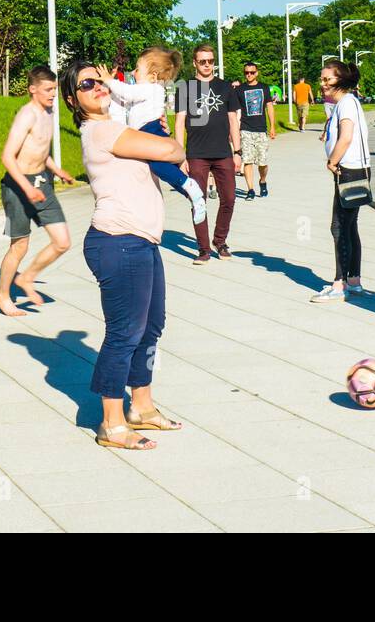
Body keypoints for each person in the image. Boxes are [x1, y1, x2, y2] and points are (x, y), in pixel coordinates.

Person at [60, 61, 184, 451]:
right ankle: (111, 423)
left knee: (150, 329)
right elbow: (172, 152)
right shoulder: (101, 130)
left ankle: (141, 407)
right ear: (72, 99)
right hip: (118, 241)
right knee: (124, 334)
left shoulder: (117, 125)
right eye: (86, 84)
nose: (98, 86)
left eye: (100, 79)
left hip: (141, 241)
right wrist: (170, 140)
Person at [0, 66, 75, 317]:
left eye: (54, 89)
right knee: (20, 246)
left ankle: (27, 278)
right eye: (48, 89)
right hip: (18, 186)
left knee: (62, 242)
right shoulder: (26, 115)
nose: (53, 94)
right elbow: (7, 157)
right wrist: (27, 189)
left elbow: (40, 150)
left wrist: (57, 170)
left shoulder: (49, 112)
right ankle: (2, 296)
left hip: (42, 183)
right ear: (33, 90)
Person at [99, 47, 207, 223]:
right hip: (147, 131)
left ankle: (190, 187)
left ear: (153, 76)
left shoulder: (151, 88)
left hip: (150, 130)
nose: (133, 72)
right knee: (162, 169)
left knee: (158, 166)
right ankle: (190, 192)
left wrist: (109, 80)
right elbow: (125, 99)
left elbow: (126, 92)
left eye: (137, 69)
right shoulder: (148, 89)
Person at [310, 61, 374, 302]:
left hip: (348, 170)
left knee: (338, 227)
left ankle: (340, 283)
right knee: (349, 227)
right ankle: (354, 280)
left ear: (340, 81)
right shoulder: (346, 103)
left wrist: (332, 161)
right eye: (322, 79)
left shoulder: (346, 103)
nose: (323, 83)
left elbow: (346, 136)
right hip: (355, 169)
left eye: (327, 79)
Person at [174, 43, 242, 264]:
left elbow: (233, 120)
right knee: (198, 200)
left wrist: (238, 151)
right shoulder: (185, 88)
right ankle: (203, 249)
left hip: (223, 151)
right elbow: (179, 122)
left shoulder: (225, 87)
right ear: (194, 62)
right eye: (202, 61)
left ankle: (220, 241)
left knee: (229, 198)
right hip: (196, 153)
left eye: (210, 61)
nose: (207, 65)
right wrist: (180, 155)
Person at [238, 62, 277, 200]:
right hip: (245, 129)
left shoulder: (264, 88)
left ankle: (262, 180)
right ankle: (250, 189)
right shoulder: (240, 89)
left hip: (261, 130)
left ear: (257, 73)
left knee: (262, 163)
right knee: (247, 160)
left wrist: (272, 126)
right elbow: (237, 111)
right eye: (246, 72)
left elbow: (269, 107)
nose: (249, 75)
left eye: (252, 72)